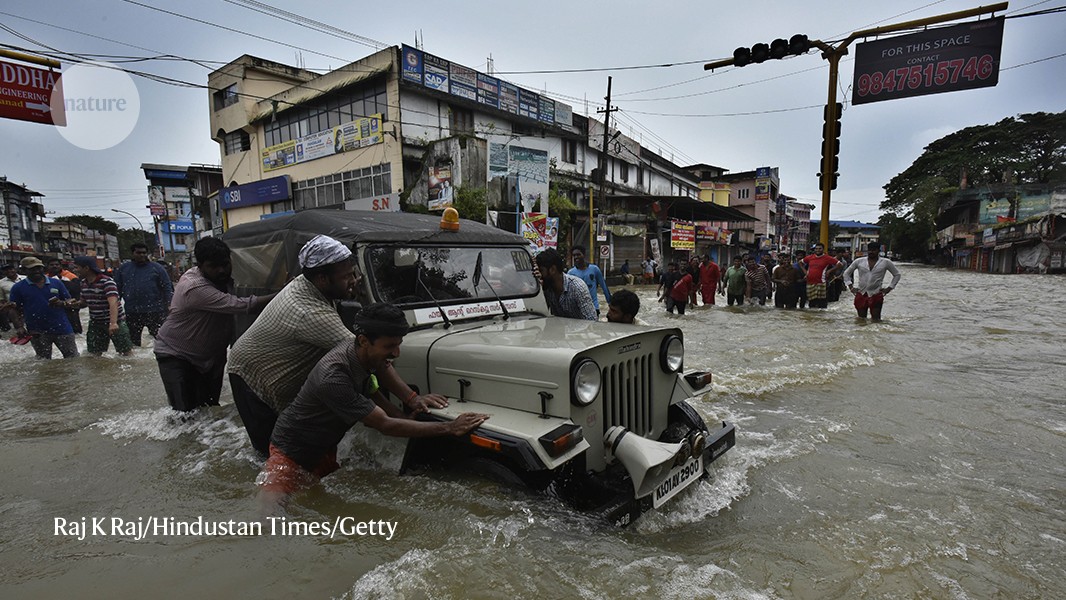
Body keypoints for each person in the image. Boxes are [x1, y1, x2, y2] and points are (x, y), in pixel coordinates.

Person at [228, 235, 444, 456]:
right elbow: (367, 357)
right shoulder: (309, 312)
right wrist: (411, 398)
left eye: (354, 273)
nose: (353, 280)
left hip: (273, 360)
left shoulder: (311, 284)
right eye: (347, 276)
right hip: (252, 377)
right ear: (322, 278)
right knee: (275, 454)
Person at [256, 303, 489, 501]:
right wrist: (449, 427)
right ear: (364, 340)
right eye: (389, 346)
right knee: (271, 518)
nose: (396, 353)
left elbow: (381, 368)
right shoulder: (333, 377)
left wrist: (412, 398)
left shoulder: (360, 352)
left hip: (324, 449)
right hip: (291, 453)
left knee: (317, 501)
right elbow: (385, 425)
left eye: (398, 344)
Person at [154, 238, 277, 412]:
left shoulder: (224, 279)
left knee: (210, 410)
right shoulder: (195, 286)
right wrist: (285, 291)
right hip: (176, 355)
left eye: (225, 264)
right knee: (184, 415)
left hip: (211, 358)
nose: (221, 270)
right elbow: (242, 305)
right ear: (201, 266)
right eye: (214, 266)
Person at [7, 257, 79, 359]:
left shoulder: (56, 283)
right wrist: (19, 326)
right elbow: (13, 308)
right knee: (43, 362)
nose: (36, 271)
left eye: (38, 268)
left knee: (72, 359)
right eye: (32, 269)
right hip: (37, 331)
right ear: (23, 270)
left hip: (62, 328)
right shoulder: (18, 287)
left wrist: (61, 303)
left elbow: (71, 300)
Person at [115, 243, 174, 346]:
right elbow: (117, 290)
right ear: (133, 253)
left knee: (162, 341)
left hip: (156, 311)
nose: (142, 255)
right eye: (138, 253)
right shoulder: (124, 269)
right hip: (132, 312)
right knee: (133, 344)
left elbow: (167, 287)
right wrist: (115, 309)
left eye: (144, 253)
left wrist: (169, 304)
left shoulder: (157, 268)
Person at [73, 255, 133, 356]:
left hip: (116, 322)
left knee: (126, 353)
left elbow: (113, 303)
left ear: (86, 268)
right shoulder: (83, 283)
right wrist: (74, 304)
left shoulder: (107, 282)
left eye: (77, 267)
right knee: (94, 355)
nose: (75, 270)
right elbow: (84, 303)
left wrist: (113, 323)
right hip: (96, 323)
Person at [842, 242, 902, 322]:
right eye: (869, 250)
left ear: (878, 251)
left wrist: (889, 288)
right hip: (861, 293)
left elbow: (897, 275)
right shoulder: (859, 261)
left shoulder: (886, 262)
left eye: (874, 250)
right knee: (861, 319)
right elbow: (846, 273)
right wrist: (851, 286)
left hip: (876, 293)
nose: (871, 252)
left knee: (876, 320)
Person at [535, 248, 596, 321]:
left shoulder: (577, 288)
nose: (540, 275)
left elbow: (591, 322)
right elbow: (541, 316)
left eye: (541, 271)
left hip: (579, 332)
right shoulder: (547, 288)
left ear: (553, 270)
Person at [568, 245, 611, 316]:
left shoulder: (594, 269)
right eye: (574, 255)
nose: (576, 257)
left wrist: (610, 302)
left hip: (594, 307)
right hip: (578, 309)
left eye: (578, 255)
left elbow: (604, 286)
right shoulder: (570, 273)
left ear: (584, 255)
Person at [46, 258, 82, 333]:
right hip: (52, 309)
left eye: (57, 265)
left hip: (70, 307)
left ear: (61, 266)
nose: (54, 266)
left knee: (74, 330)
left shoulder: (70, 276)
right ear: (47, 266)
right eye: (51, 265)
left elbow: (76, 291)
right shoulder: (45, 278)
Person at [802, 243, 841, 309]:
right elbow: (800, 263)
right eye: (816, 249)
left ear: (823, 249)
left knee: (822, 302)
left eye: (820, 249)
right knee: (811, 302)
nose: (818, 250)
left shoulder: (827, 258)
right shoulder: (810, 257)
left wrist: (829, 271)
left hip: (821, 282)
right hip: (810, 282)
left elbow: (840, 264)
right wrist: (806, 273)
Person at [1, 263, 26, 333]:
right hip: (13, 307)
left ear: (15, 269)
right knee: (12, 312)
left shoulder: (26, 278)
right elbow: (2, 299)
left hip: (28, 304)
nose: (9, 271)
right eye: (6, 270)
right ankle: (20, 332)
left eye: (11, 269)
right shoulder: (1, 283)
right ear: (3, 272)